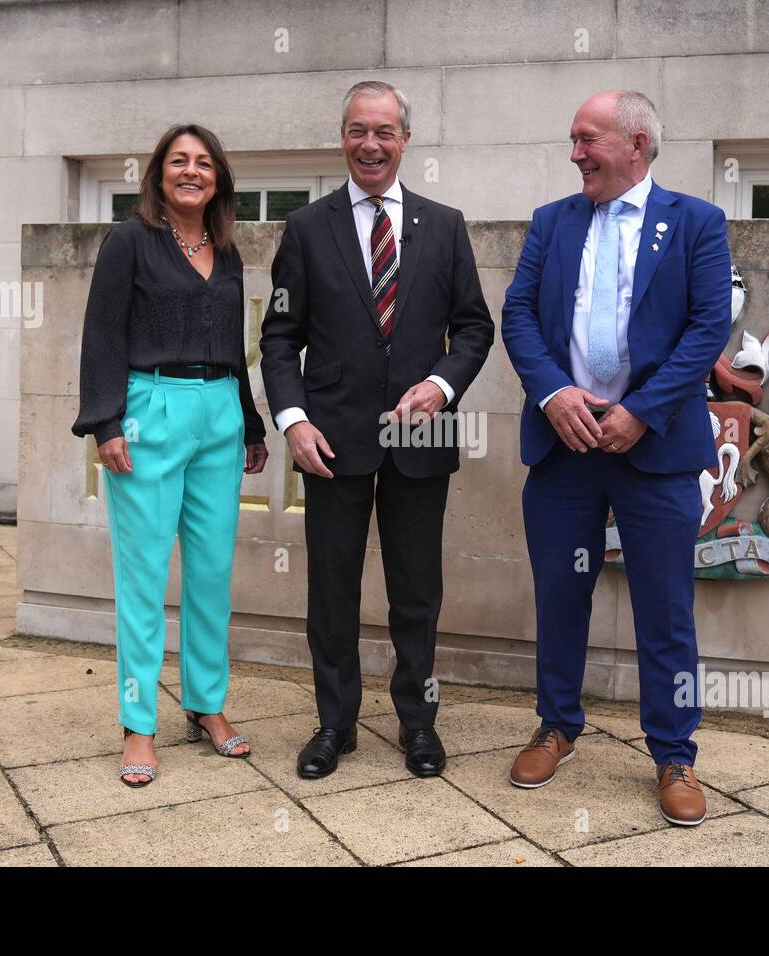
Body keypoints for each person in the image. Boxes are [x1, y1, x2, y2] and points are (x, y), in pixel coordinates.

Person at [500, 90, 732, 825]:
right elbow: (518, 317)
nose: (575, 154)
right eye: (573, 140)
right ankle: (558, 725)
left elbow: (708, 328)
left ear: (636, 143)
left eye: (586, 139)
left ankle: (674, 754)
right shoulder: (551, 224)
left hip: (654, 449)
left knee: (666, 610)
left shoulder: (696, 223)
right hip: (565, 445)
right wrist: (553, 395)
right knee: (560, 596)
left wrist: (641, 410)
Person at [260, 81, 494, 779]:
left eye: (384, 131)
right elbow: (279, 337)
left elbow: (476, 326)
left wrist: (442, 384)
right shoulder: (306, 229)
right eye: (359, 130)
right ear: (343, 138)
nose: (371, 143)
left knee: (416, 593)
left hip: (421, 439)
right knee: (331, 591)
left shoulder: (445, 224)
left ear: (405, 140)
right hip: (330, 440)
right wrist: (293, 421)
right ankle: (335, 725)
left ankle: (418, 726)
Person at [72, 123, 269, 787]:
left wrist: (248, 424)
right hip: (148, 410)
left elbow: (235, 343)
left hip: (217, 413)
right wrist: (105, 425)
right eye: (179, 161)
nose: (192, 172)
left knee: (211, 572)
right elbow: (101, 334)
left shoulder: (227, 250)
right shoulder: (129, 242)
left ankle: (206, 705)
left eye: (204, 163)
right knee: (144, 577)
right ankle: (138, 725)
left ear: (219, 179)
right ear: (159, 174)